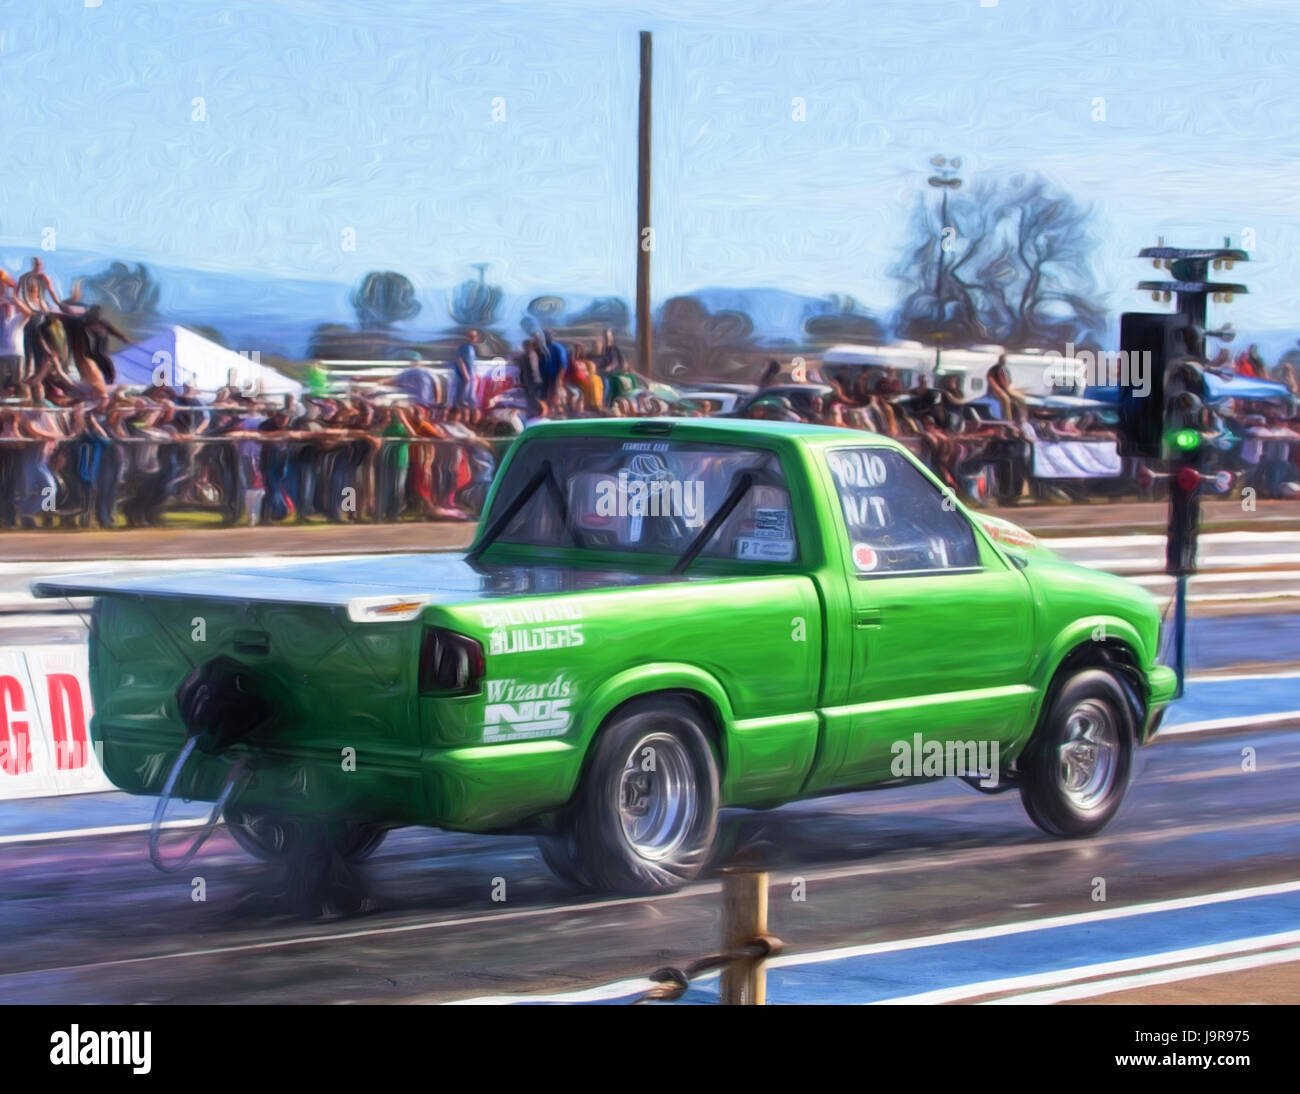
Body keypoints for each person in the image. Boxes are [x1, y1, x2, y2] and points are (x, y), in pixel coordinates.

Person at [451, 329, 480, 414]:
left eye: (474, 336)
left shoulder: (471, 348)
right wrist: (465, 375)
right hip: (463, 378)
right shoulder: (463, 347)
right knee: (461, 399)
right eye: (471, 336)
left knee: (470, 398)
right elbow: (460, 360)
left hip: (470, 378)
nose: (473, 338)